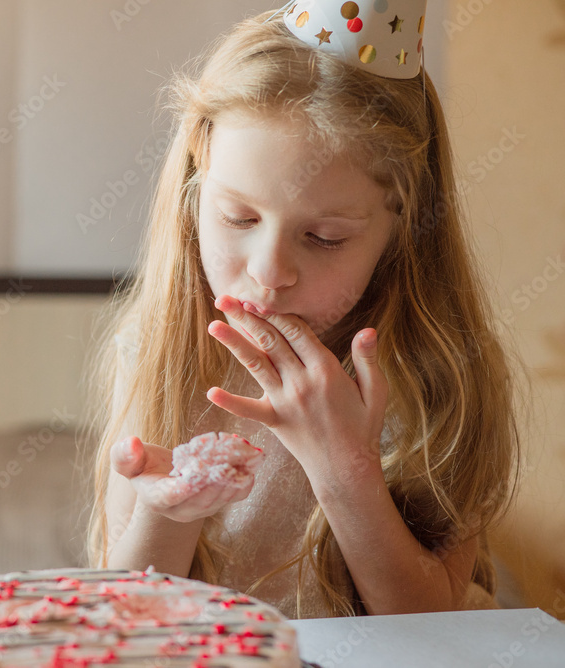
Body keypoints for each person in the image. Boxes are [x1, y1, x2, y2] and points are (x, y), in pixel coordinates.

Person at [79, 0, 529, 618]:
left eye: (324, 238)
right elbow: (123, 609)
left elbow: (429, 623)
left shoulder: (437, 369)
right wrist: (168, 509)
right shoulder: (158, 349)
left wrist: (345, 469)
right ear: (194, 186)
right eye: (238, 218)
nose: (268, 274)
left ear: (403, 227)